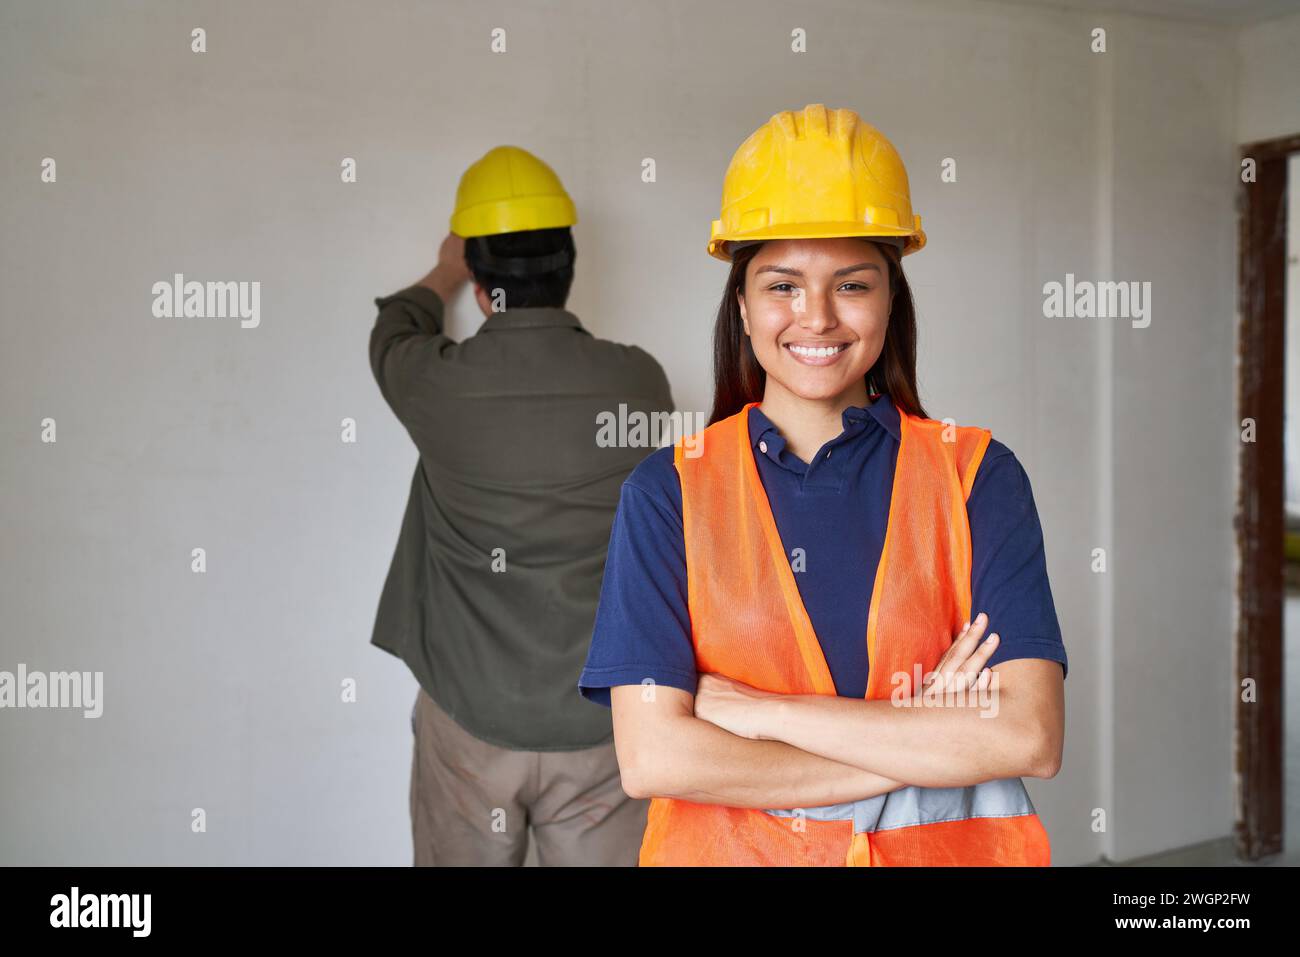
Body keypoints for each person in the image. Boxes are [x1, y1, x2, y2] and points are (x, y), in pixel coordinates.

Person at [578, 105, 1067, 866]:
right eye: (783, 285)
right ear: (742, 306)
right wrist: (917, 740)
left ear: (891, 298)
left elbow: (1027, 736)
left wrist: (760, 713)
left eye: (851, 284)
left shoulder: (977, 476)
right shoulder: (668, 492)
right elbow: (655, 757)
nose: (816, 317)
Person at [369, 145, 674, 865]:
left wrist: (444, 269)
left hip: (468, 720)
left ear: (481, 287)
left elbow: (395, 327)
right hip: (600, 728)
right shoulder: (639, 382)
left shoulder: (432, 382)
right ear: (569, 271)